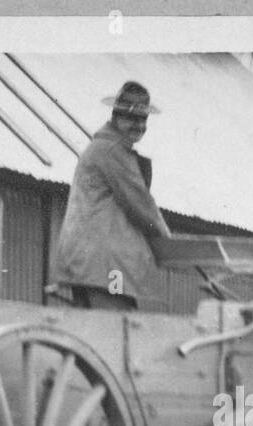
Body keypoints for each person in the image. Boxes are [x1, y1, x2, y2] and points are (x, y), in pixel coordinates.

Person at [49, 81, 172, 310]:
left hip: (89, 267)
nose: (138, 125)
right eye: (130, 118)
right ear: (115, 116)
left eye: (142, 119)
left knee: (98, 334)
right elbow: (141, 205)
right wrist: (169, 243)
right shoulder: (113, 150)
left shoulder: (102, 147)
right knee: (117, 331)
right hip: (106, 269)